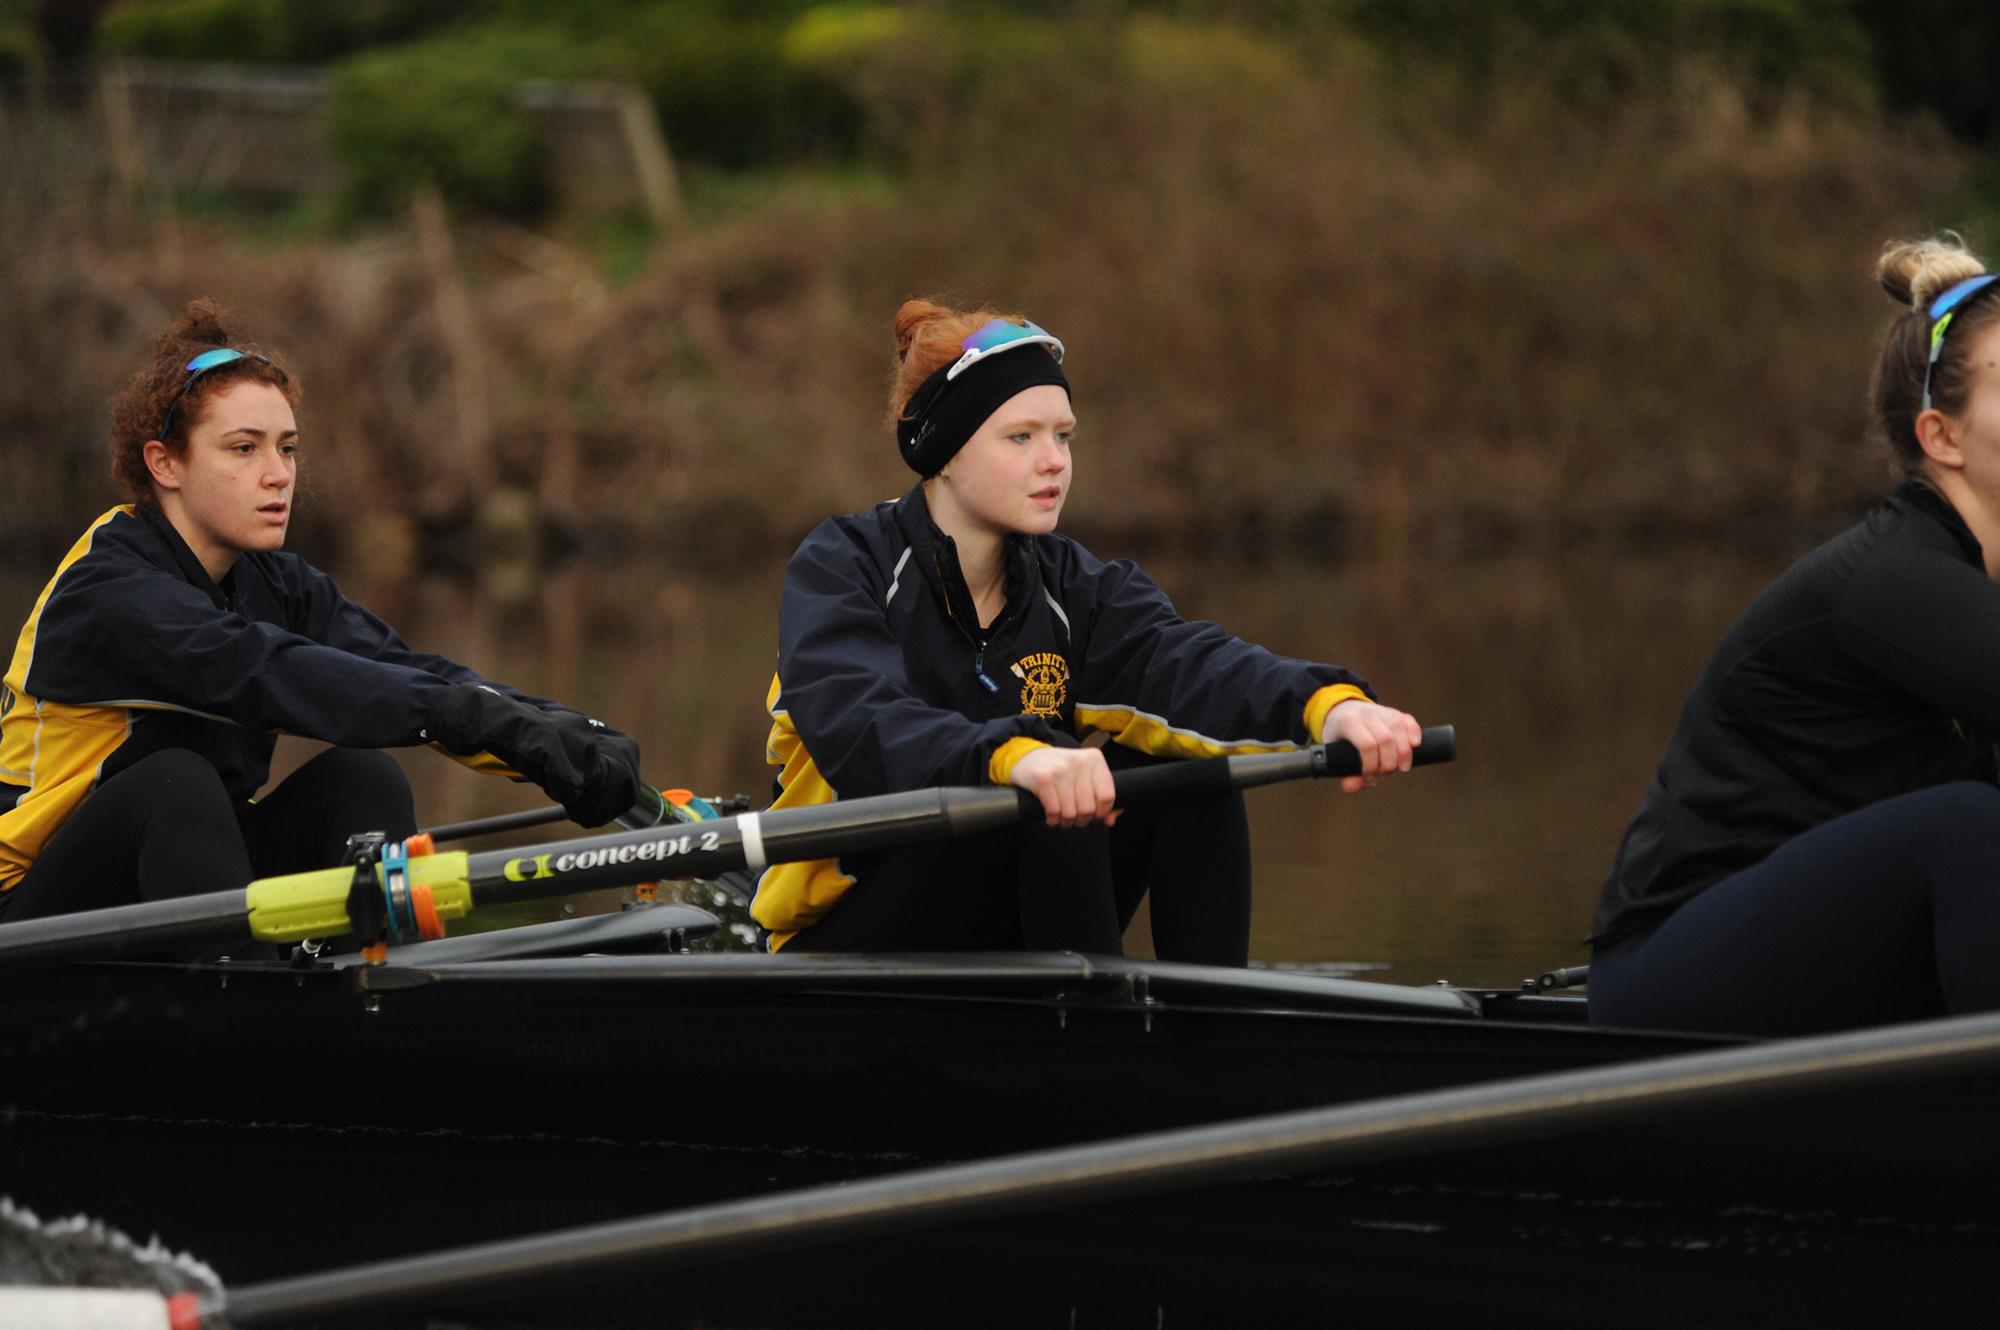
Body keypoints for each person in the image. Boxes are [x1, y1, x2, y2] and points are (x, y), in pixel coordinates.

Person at [754, 298, 1425, 961]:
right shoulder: (843, 566)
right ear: (948, 453)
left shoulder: (1071, 585)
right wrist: (1016, 757)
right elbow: (863, 722)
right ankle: (1098, 1043)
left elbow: (1182, 663)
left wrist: (1323, 706)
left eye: (1063, 435)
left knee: (1195, 777)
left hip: (1015, 892)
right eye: (1021, 437)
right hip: (847, 927)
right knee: (1052, 792)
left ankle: (1208, 1041)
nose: (1055, 461)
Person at [0, 300, 643, 925]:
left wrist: (563, 732)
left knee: (363, 780)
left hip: (171, 880)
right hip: (35, 909)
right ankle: (246, 1011)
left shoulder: (278, 583)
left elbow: (407, 672)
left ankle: (368, 985)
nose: (279, 475)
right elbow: (266, 672)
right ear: (165, 463)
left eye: (288, 448)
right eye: (244, 449)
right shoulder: (106, 590)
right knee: (174, 782)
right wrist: (489, 720)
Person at [1589, 236, 2000, 1036]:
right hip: (1669, 979)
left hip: (1828, 954)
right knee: (1969, 822)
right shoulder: (1897, 582)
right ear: (1942, 438)